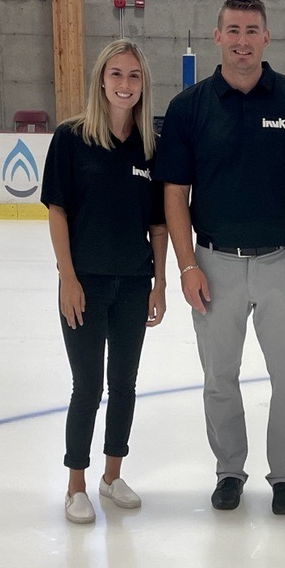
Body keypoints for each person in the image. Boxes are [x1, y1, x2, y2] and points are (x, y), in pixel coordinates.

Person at [154, 0, 285, 515]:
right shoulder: (190, 108)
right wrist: (186, 265)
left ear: (267, 37)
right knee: (219, 378)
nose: (242, 40)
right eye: (233, 30)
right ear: (217, 37)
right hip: (213, 264)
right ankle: (229, 470)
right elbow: (173, 195)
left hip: (284, 262)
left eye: (252, 30)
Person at [41, 39, 168, 524]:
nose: (125, 84)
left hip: (134, 284)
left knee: (125, 383)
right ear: (101, 80)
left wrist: (159, 283)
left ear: (143, 85)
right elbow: (58, 211)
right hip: (86, 284)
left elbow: (158, 226)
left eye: (134, 76)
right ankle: (76, 484)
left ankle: (112, 476)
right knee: (88, 385)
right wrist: (67, 277)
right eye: (116, 74)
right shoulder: (72, 139)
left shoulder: (150, 147)